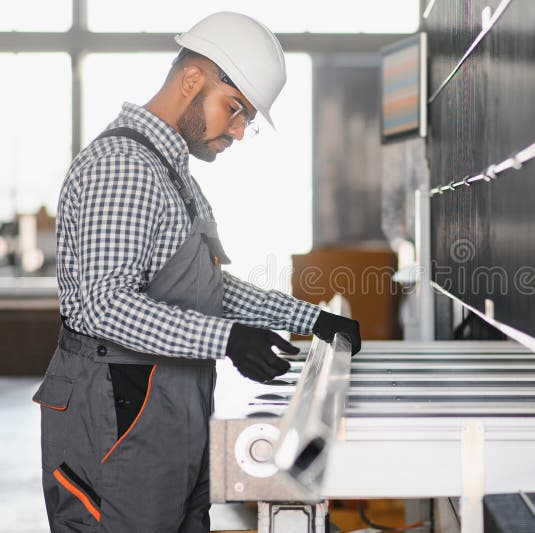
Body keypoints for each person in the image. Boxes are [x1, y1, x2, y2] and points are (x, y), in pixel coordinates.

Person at [32, 11, 360, 532]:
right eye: (234, 109)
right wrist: (227, 339)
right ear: (192, 81)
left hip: (169, 407)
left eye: (246, 118)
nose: (238, 131)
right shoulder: (122, 165)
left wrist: (309, 318)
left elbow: (206, 289)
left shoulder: (172, 173)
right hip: (115, 411)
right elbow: (102, 304)